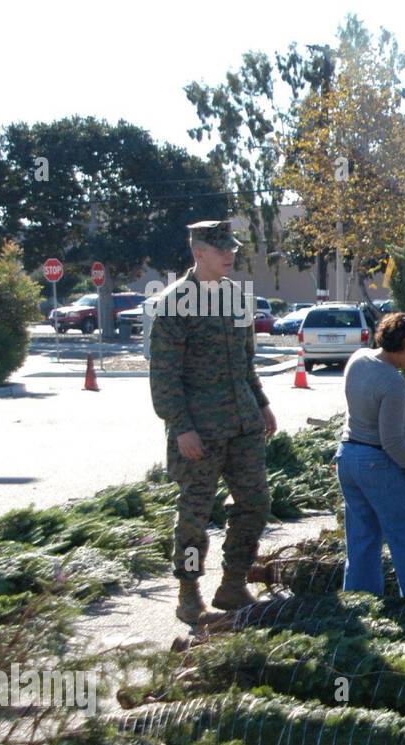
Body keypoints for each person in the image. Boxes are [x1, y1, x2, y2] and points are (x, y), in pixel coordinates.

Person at [149, 220, 275, 624]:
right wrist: (181, 426)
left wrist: (263, 404)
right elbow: (164, 377)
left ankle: (233, 584)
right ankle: (189, 593)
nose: (230, 254)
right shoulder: (175, 303)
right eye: (222, 249)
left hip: (243, 425)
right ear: (199, 252)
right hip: (199, 432)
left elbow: (246, 363)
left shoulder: (236, 298)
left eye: (232, 248)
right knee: (195, 516)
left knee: (256, 504)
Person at [337, 312, 405, 598]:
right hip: (379, 464)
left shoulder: (359, 359)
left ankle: (361, 604)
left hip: (348, 457)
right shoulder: (393, 384)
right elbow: (393, 443)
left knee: (362, 540)